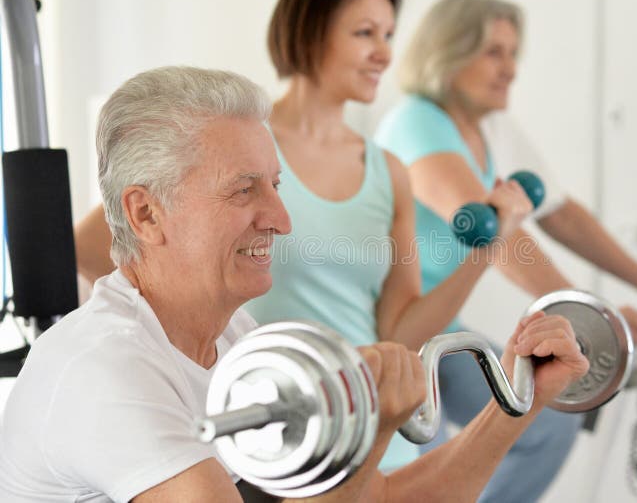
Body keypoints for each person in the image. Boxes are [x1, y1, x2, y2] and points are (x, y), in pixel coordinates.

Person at [0, 65, 588, 503]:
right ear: (146, 214)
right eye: (243, 189)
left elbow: (377, 500)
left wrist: (516, 402)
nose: (281, 219)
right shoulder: (109, 370)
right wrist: (375, 428)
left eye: (275, 186)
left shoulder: (233, 337)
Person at [72, 0, 535, 475]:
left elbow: (400, 332)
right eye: (364, 34)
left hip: (376, 433)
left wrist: (488, 250)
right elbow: (94, 247)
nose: (383, 53)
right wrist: (195, 353)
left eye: (387, 36)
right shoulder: (232, 148)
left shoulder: (388, 172)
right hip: (275, 436)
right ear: (309, 32)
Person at [375, 0, 637, 501]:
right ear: (448, 53)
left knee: (547, 420)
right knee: (426, 466)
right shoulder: (417, 123)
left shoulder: (489, 125)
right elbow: (500, 238)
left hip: (443, 331)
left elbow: (563, 215)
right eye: (493, 53)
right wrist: (592, 317)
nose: (510, 68)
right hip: (397, 334)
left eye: (513, 53)